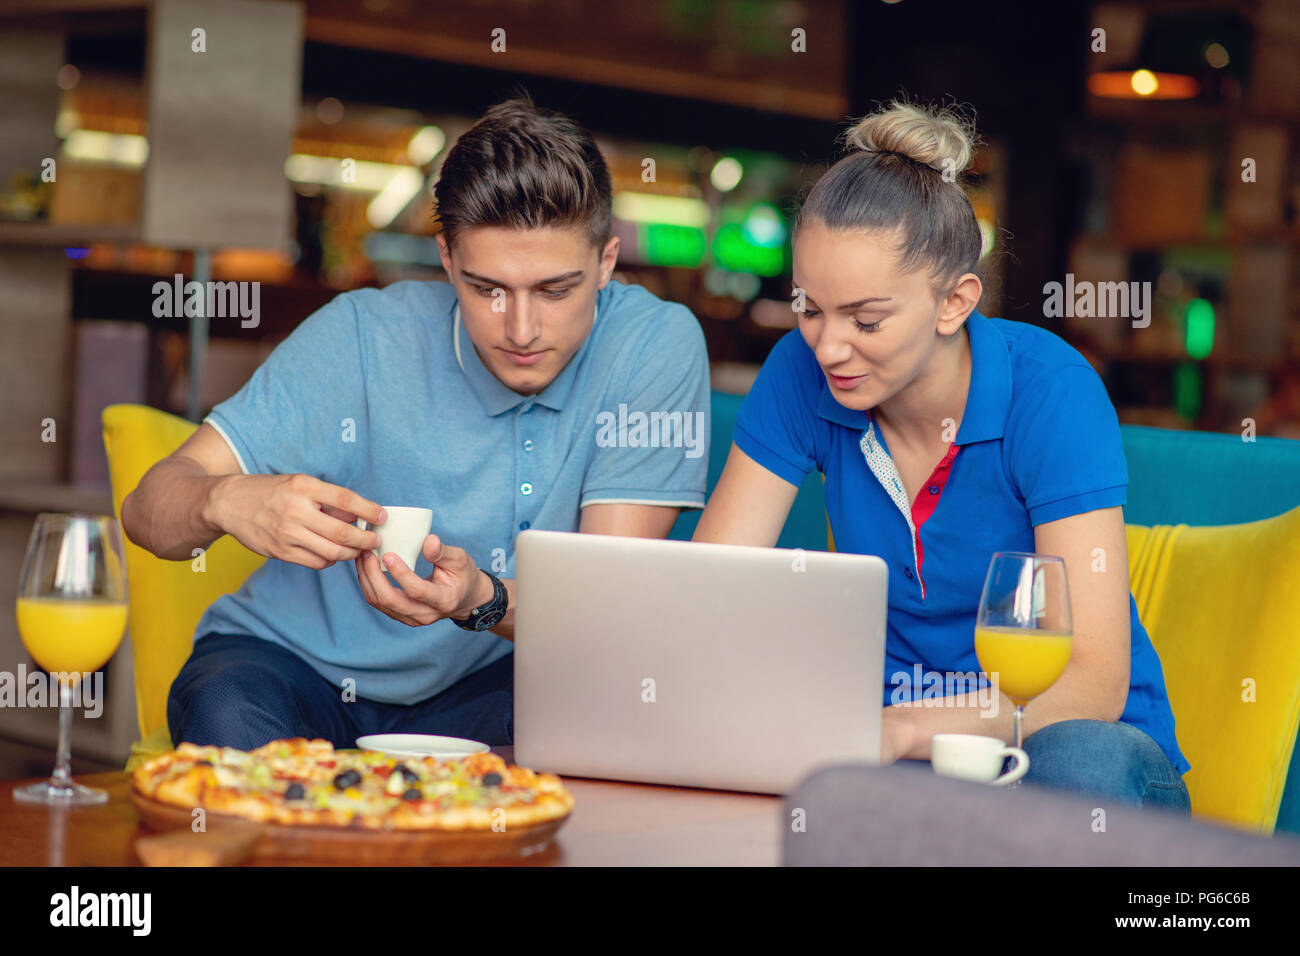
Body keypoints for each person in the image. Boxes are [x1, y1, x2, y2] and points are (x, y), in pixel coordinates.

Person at [123, 96, 710, 751]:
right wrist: (225, 500)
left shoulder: (651, 346)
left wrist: (480, 601)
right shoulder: (362, 337)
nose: (521, 330)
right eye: (488, 287)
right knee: (226, 715)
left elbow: (609, 609)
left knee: (599, 717)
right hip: (292, 667)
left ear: (606, 262)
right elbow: (146, 512)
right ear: (448, 260)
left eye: (554, 290)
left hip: (484, 690)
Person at [693, 100, 1190, 810]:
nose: (829, 346)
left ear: (955, 302)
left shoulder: (1050, 390)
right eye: (808, 308)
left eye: (866, 319)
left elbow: (1092, 683)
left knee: (1081, 761)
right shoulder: (799, 372)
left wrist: (900, 729)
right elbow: (712, 590)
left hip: (1067, 758)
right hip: (895, 755)